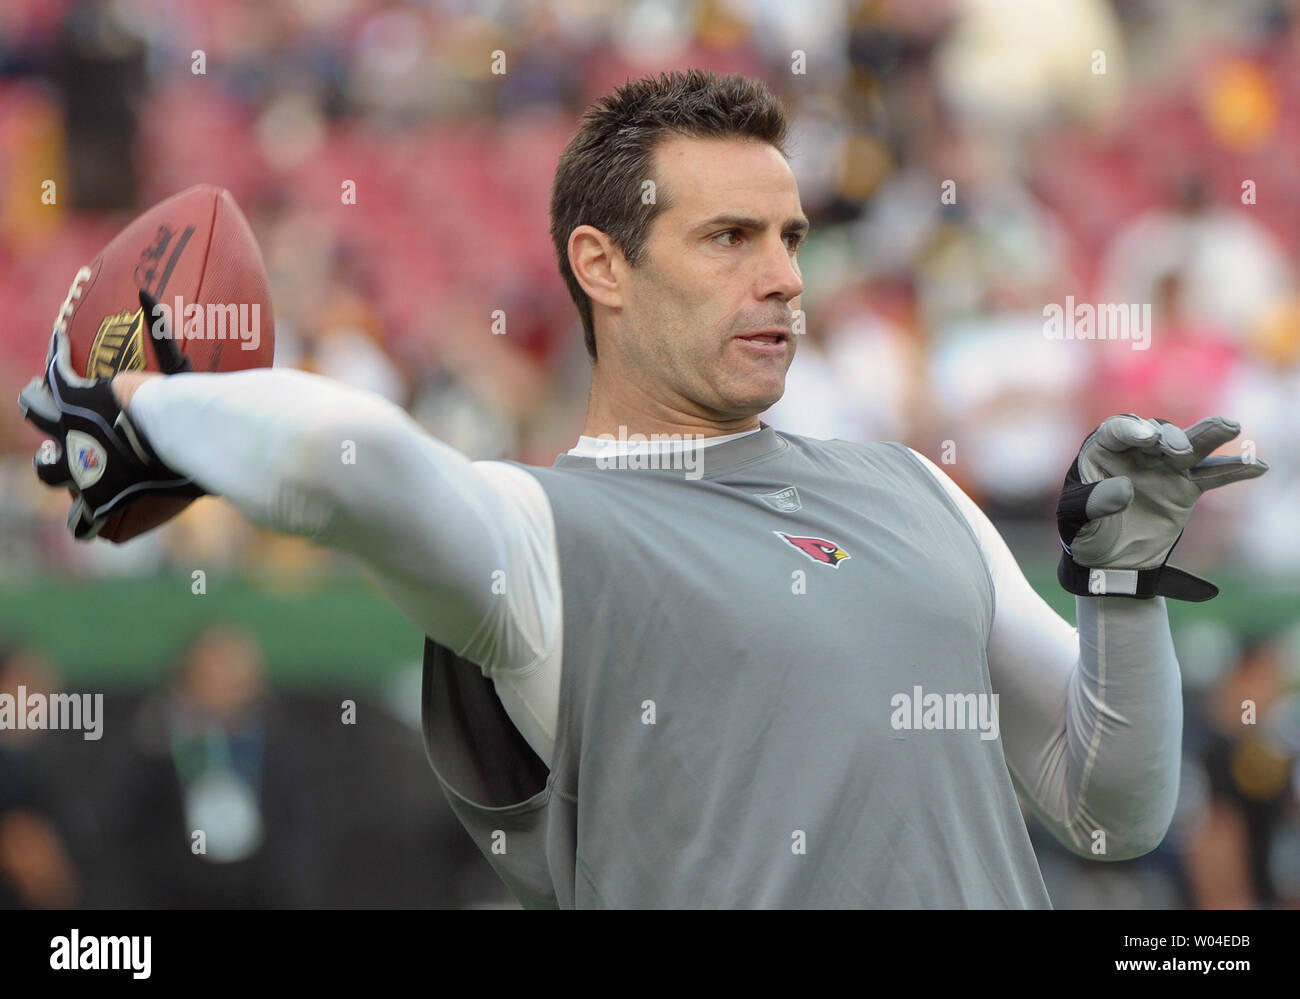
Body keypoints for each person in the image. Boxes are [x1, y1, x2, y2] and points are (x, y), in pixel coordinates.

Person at [18, 70, 1268, 908]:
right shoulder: (546, 533)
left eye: (789, 236)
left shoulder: (912, 490)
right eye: (728, 239)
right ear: (599, 267)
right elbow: (348, 463)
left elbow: (1113, 811)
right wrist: (134, 405)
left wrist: (1118, 591)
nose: (782, 275)